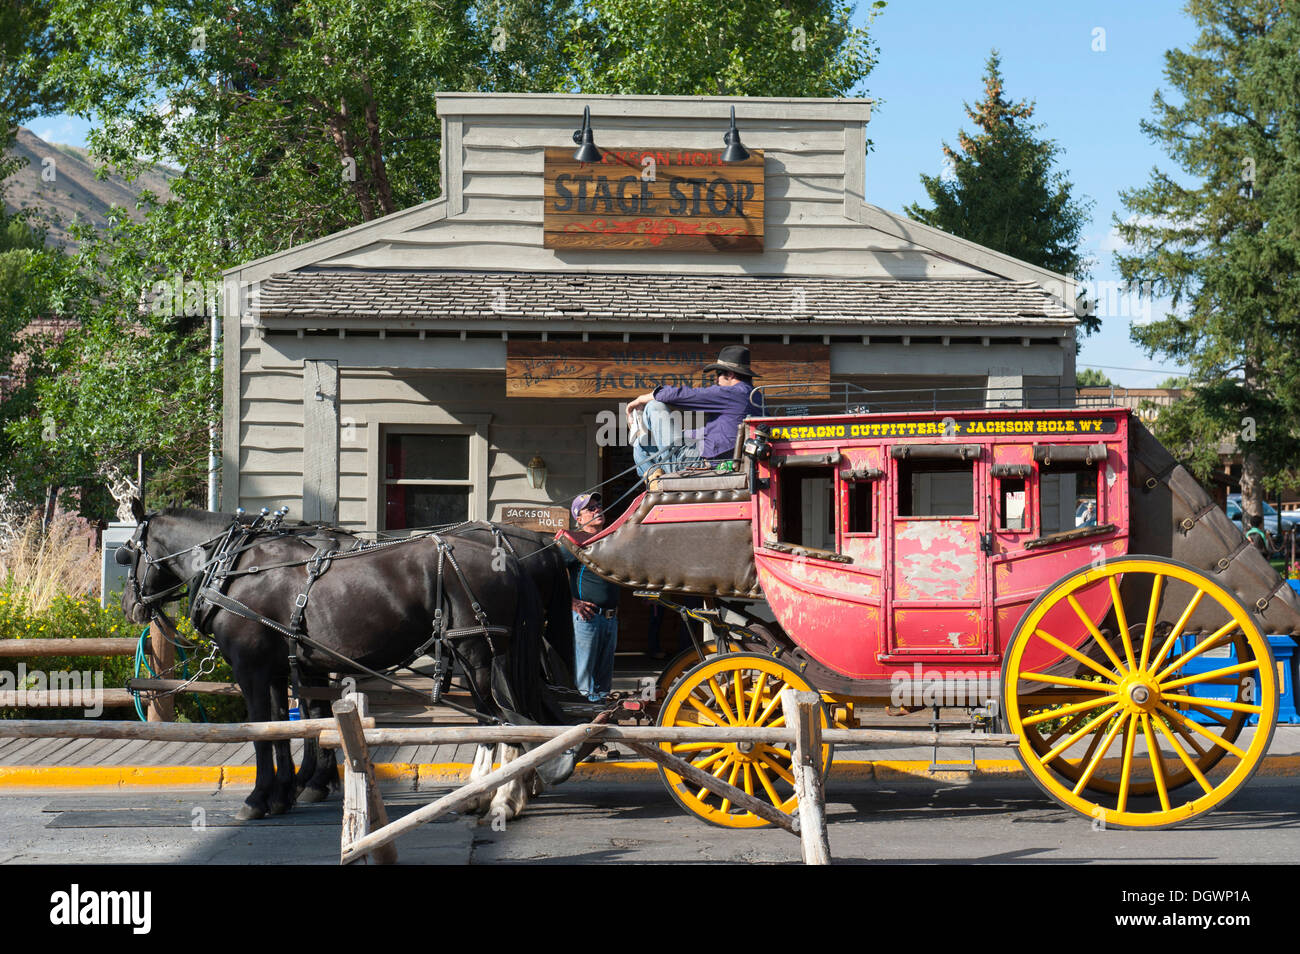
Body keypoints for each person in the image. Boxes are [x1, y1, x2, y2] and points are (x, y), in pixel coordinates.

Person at [625, 344, 763, 480]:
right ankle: (656, 479)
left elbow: (681, 395)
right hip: (718, 460)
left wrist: (640, 400)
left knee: (654, 406)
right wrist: (684, 434)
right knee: (641, 444)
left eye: (718, 374)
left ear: (730, 374)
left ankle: (658, 478)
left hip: (696, 463)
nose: (716, 380)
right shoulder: (755, 397)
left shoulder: (730, 393)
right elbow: (722, 434)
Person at [561, 493, 620, 703]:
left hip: (610, 618)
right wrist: (572, 602)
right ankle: (582, 720)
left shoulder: (612, 539)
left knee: (604, 678)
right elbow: (552, 573)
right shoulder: (573, 543)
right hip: (587, 618)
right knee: (584, 678)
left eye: (598, 506)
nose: (597, 510)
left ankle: (600, 717)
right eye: (591, 508)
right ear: (579, 518)